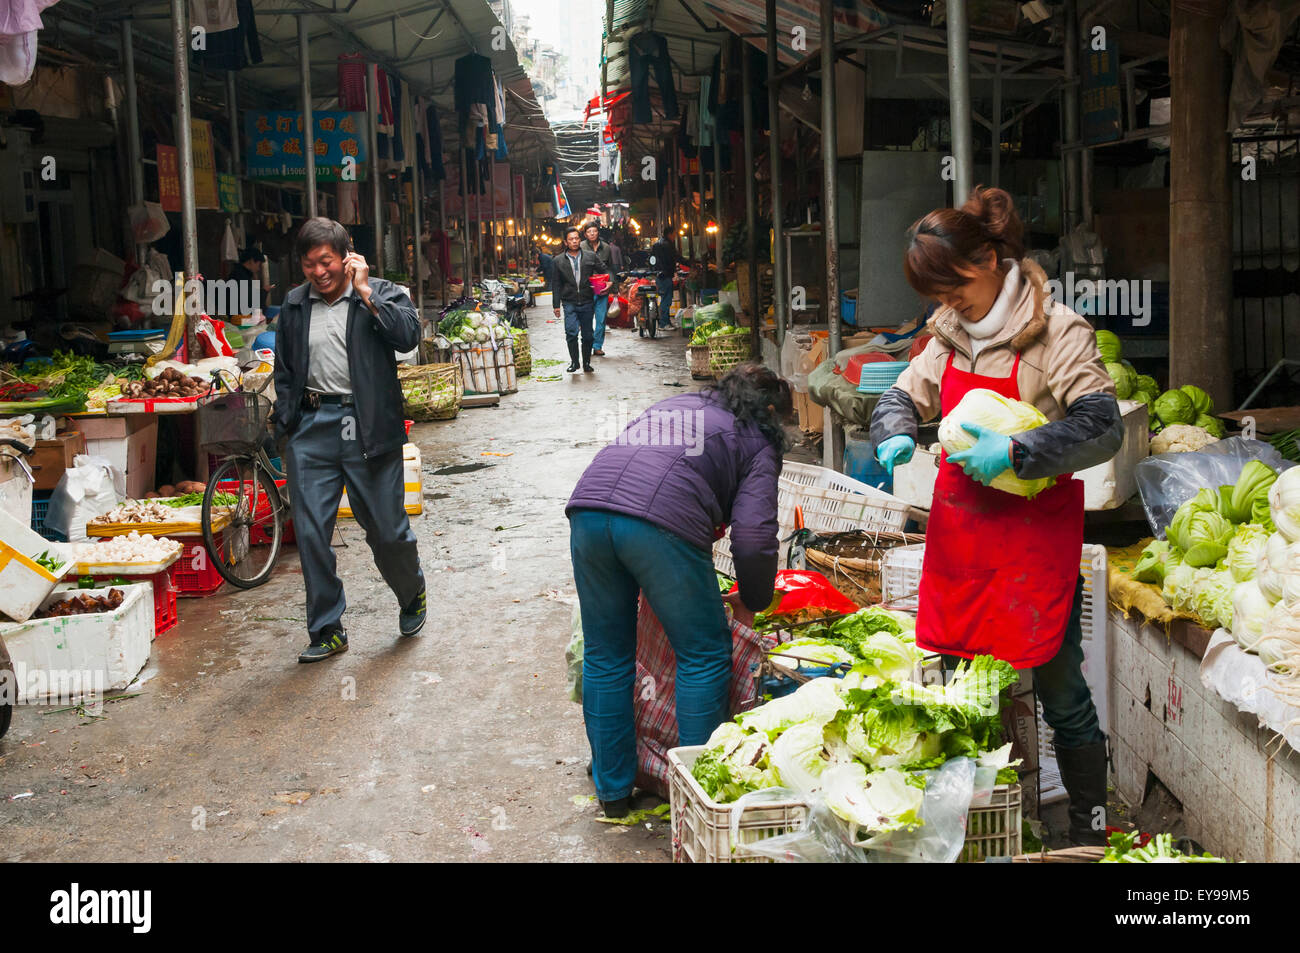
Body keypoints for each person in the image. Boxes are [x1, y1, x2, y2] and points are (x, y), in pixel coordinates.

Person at [869, 186, 1123, 846]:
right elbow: (904, 390)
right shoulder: (947, 332)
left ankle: (1087, 829)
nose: (945, 305)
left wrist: (1016, 449)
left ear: (988, 258)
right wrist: (894, 424)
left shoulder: (1057, 330)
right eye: (936, 295)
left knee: (1060, 686)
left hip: (1033, 542)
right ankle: (970, 829)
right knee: (963, 690)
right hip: (962, 538)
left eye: (953, 288)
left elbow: (1102, 428)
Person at [567, 363, 792, 817]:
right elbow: (753, 537)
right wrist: (754, 599)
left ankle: (613, 793)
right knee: (705, 654)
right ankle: (696, 800)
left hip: (588, 511)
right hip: (657, 525)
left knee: (607, 653)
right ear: (770, 411)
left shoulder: (676, 406)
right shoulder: (757, 438)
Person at [272, 217, 427, 662]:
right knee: (311, 533)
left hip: (367, 426)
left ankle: (411, 590)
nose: (319, 272)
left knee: (386, 530)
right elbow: (285, 368)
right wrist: (288, 423)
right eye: (309, 264)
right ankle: (327, 628)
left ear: (347, 257)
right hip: (312, 428)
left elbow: (407, 337)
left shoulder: (380, 292)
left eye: (326, 261)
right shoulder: (295, 305)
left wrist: (366, 292)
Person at [549, 226, 608, 373]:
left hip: (587, 301)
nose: (574, 241)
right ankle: (574, 362)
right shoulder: (558, 261)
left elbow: (604, 271)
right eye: (571, 239)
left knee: (588, 335)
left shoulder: (590, 256)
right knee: (571, 333)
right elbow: (556, 283)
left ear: (579, 239)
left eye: (576, 238)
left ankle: (586, 363)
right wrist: (556, 305)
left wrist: (609, 282)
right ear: (566, 242)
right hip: (569, 302)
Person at [581, 223, 624, 356]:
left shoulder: (606, 247)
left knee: (601, 319)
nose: (592, 233)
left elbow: (611, 267)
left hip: (603, 287)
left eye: (594, 231)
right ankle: (587, 344)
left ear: (598, 233)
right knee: (586, 319)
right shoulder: (581, 247)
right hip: (586, 288)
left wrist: (613, 285)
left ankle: (597, 345)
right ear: (585, 234)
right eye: (589, 231)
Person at [648, 227, 677, 330]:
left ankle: (666, 322)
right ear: (669, 234)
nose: (675, 236)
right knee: (666, 300)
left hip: (659, 275)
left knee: (665, 299)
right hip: (666, 275)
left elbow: (651, 260)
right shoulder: (667, 245)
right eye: (674, 234)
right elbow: (674, 258)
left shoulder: (657, 244)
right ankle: (664, 324)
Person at [229, 247, 273, 312]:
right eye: (259, 264)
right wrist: (264, 291)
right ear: (252, 261)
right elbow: (251, 302)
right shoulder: (240, 276)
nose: (258, 269)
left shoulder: (243, 273)